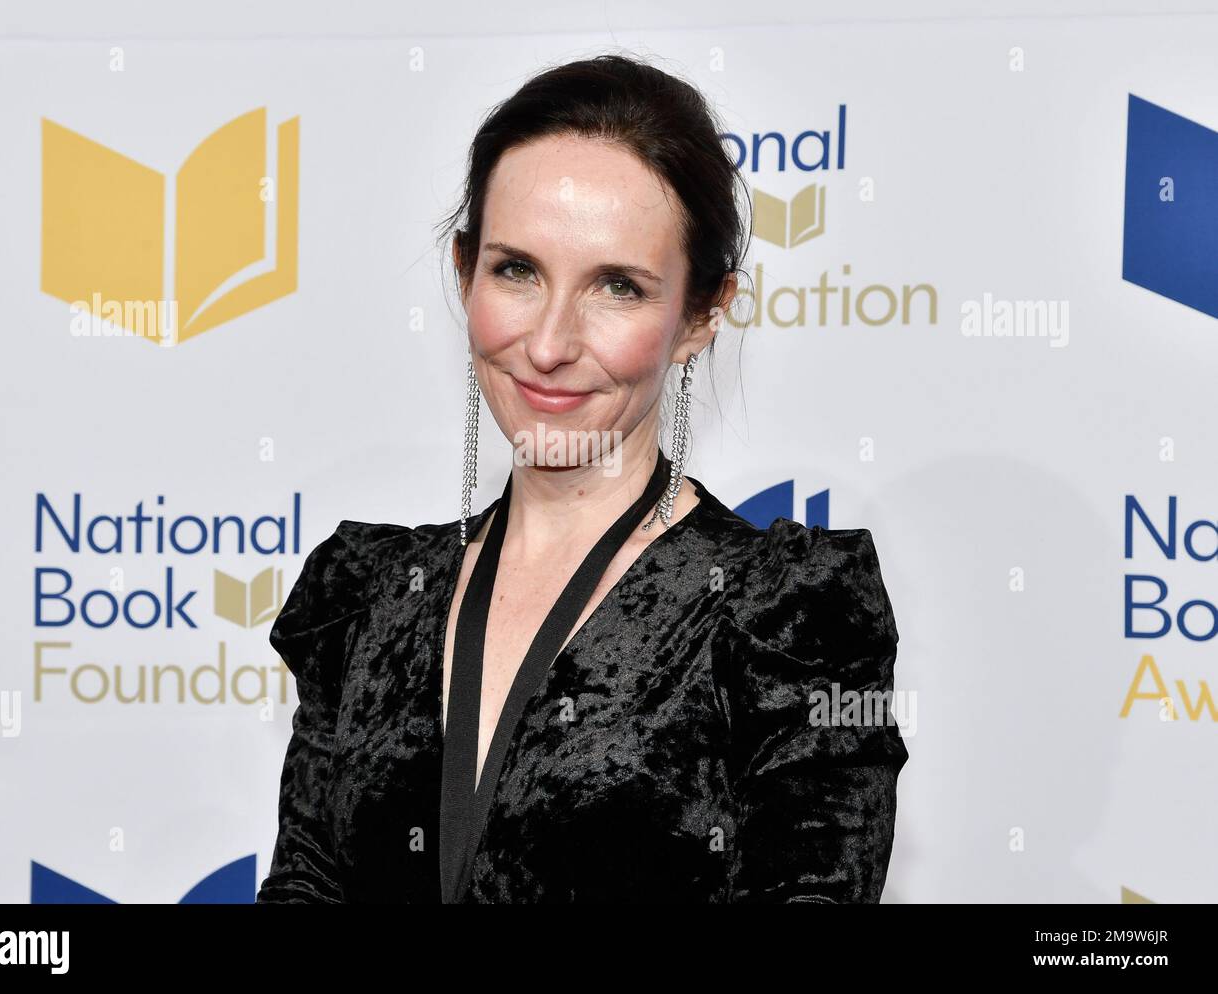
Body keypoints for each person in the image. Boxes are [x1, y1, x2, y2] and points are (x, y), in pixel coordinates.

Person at [256, 53, 909, 904]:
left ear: (701, 316)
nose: (552, 343)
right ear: (463, 274)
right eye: (517, 271)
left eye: (618, 287)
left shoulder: (787, 615)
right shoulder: (370, 599)